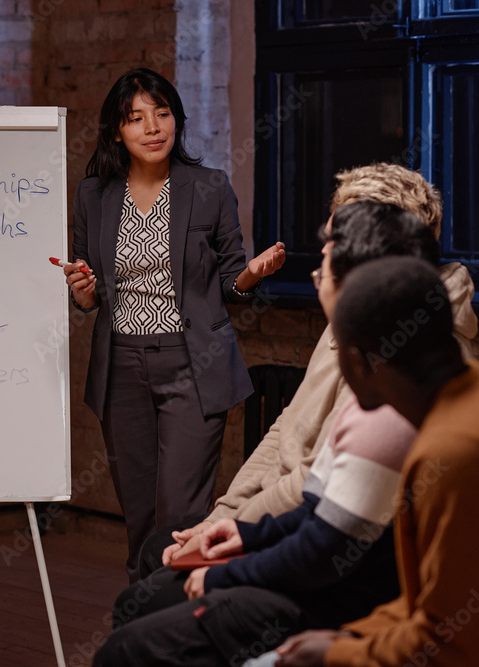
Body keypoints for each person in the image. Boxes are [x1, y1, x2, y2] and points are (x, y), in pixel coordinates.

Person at [92, 203, 444, 666]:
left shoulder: (389, 408)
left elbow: (328, 548)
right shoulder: (377, 373)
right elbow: (320, 510)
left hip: (332, 601)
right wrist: (241, 531)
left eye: (325, 264)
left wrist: (227, 571)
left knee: (127, 646)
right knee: (143, 597)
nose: (316, 275)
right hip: (319, 573)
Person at [151, 163, 479, 576]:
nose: (323, 254)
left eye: (336, 239)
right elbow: (287, 427)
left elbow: (322, 502)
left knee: (161, 584)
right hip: (283, 527)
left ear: (375, 247)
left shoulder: (405, 361)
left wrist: (235, 534)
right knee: (156, 552)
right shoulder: (353, 315)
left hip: (315, 548)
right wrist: (223, 516)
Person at [64, 67, 286, 581]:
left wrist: (251, 274)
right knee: (140, 520)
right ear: (117, 132)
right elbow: (88, 288)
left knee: (179, 518)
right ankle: (143, 616)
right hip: (120, 369)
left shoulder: (209, 187)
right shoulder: (94, 194)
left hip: (193, 367)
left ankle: (171, 614)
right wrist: (83, 292)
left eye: (162, 114)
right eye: (136, 118)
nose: (152, 128)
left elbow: (231, 283)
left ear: (177, 121)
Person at [255, 257, 479, 666]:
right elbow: (427, 598)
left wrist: (338, 651)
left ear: (357, 362)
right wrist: (355, 635)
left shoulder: (448, 452)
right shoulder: (463, 391)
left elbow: (447, 640)